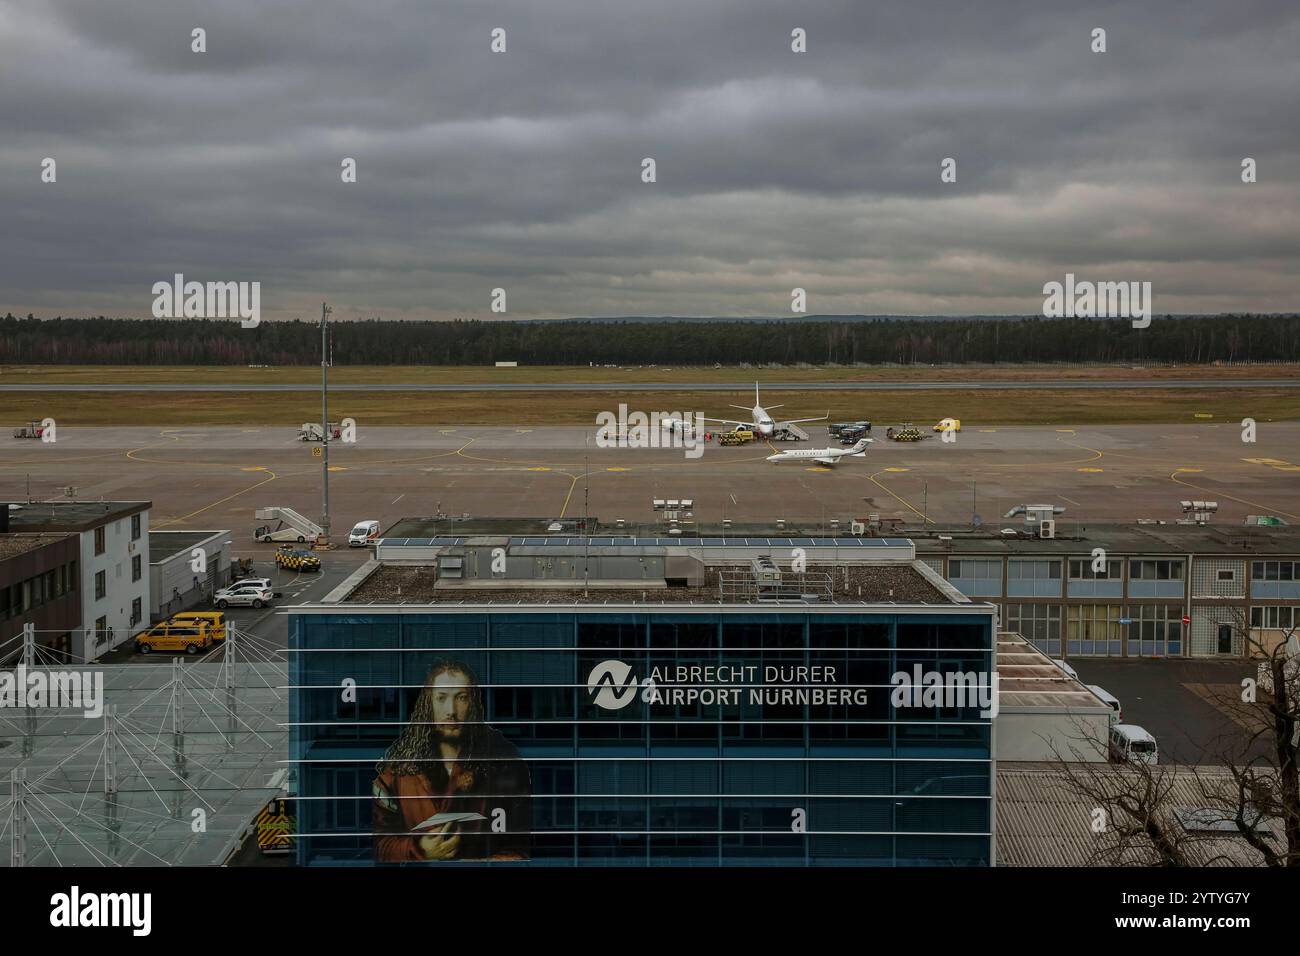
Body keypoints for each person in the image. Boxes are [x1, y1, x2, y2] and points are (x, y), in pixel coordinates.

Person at [372, 660, 531, 862]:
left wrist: (476, 865)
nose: (451, 711)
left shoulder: (505, 762)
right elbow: (379, 843)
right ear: (428, 704)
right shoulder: (398, 767)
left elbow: (520, 846)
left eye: (461, 698)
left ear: (473, 703)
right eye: (441, 698)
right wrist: (419, 851)